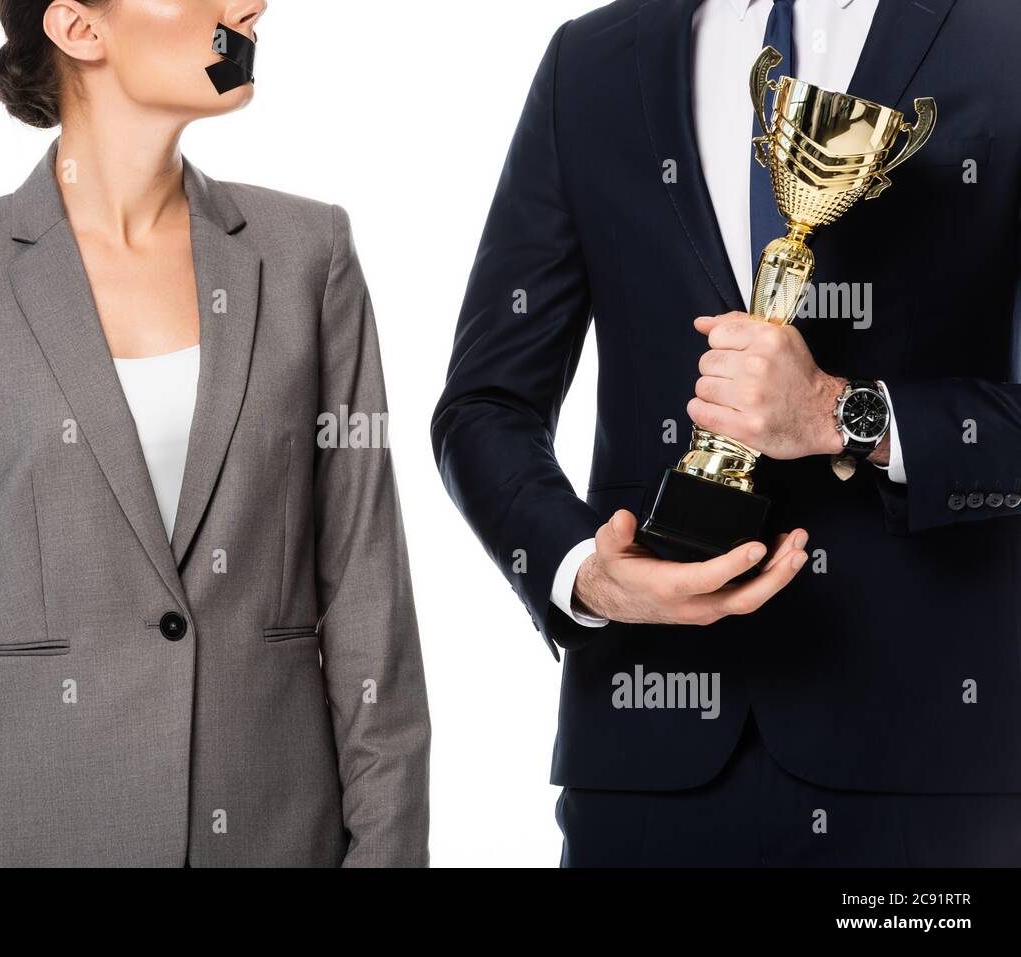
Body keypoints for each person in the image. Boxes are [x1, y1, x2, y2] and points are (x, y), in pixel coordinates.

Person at [433, 0, 1021, 866]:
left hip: (930, 769)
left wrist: (839, 413)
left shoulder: (1002, 36)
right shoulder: (589, 62)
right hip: (644, 763)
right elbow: (484, 405)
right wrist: (585, 576)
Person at [0, 0, 429, 867]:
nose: (250, 6)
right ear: (80, 30)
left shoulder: (309, 253)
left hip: (276, 833)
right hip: (39, 833)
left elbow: (366, 589)